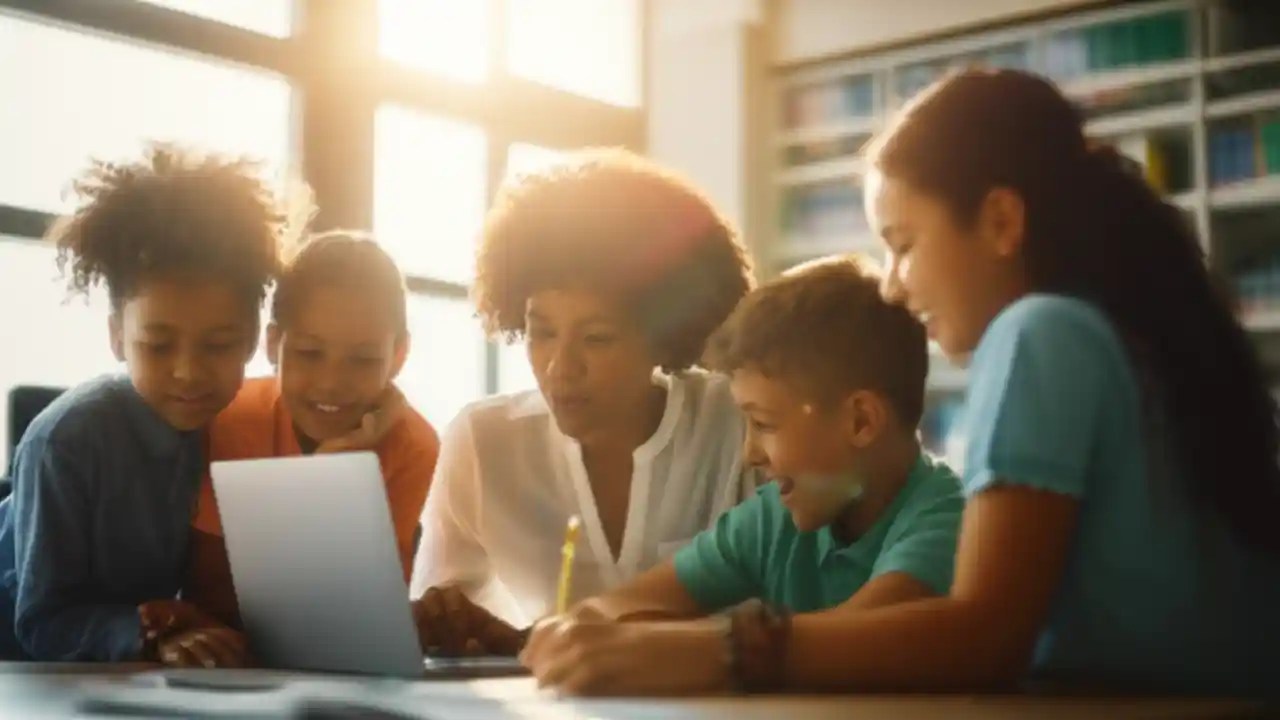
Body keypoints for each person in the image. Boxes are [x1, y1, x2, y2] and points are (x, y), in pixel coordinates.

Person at [521, 256, 965, 694]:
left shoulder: (946, 519)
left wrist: (669, 648)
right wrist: (587, 638)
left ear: (861, 422)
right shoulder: (773, 520)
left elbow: (855, 638)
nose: (750, 453)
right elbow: (617, 608)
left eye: (765, 423)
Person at [409, 148, 757, 656]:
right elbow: (439, 619)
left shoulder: (738, 422)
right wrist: (462, 630)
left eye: (597, 338)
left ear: (663, 335)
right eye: (541, 332)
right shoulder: (484, 442)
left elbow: (794, 611)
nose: (560, 367)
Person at [0, 145, 307, 664]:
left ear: (254, 339)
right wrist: (150, 637)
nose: (188, 372)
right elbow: (43, 620)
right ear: (118, 335)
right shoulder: (65, 440)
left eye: (218, 345)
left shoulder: (243, 431)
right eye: (158, 345)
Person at [185, 231, 439, 629]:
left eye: (363, 359)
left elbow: (356, 612)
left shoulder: (414, 447)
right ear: (272, 344)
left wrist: (336, 470)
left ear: (399, 356)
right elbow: (213, 597)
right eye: (309, 353)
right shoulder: (231, 419)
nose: (331, 383)